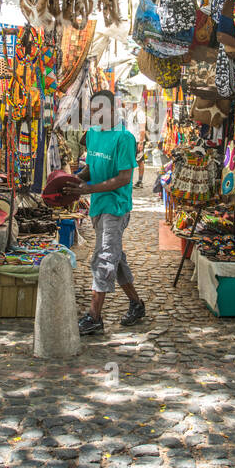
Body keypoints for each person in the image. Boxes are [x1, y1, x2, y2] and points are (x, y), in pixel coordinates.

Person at [63, 90, 146, 335]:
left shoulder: (124, 138)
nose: (95, 114)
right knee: (116, 258)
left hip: (116, 207)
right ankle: (136, 304)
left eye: (100, 110)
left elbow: (124, 177)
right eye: (93, 110)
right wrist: (73, 181)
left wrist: (89, 188)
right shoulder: (93, 134)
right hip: (98, 206)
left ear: (113, 109)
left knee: (104, 256)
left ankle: (94, 316)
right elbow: (92, 166)